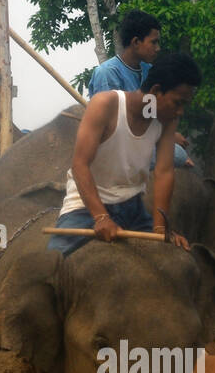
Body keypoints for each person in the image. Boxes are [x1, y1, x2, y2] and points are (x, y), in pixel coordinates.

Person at [47, 51, 200, 258]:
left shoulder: (167, 120)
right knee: (53, 263)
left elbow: (164, 172)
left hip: (133, 208)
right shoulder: (105, 105)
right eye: (178, 103)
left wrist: (159, 229)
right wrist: (101, 217)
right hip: (85, 207)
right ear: (156, 91)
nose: (180, 111)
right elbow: (79, 165)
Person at [88, 9, 192, 168]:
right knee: (177, 156)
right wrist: (165, 139)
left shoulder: (148, 71)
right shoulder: (107, 73)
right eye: (153, 42)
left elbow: (150, 115)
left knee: (178, 153)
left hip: (142, 138)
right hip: (117, 144)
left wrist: (167, 135)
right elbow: (113, 126)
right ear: (136, 42)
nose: (158, 48)